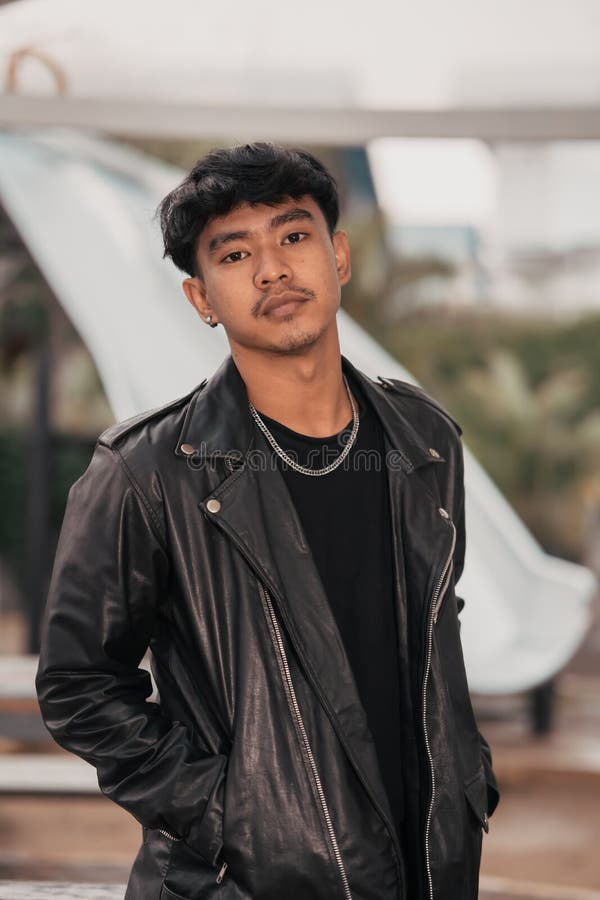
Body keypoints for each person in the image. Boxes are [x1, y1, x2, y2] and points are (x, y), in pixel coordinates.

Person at [36, 142, 499, 900]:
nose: (273, 270)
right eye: (234, 253)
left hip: (430, 863)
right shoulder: (147, 471)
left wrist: (465, 777)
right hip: (247, 881)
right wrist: (227, 816)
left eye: (293, 236)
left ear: (338, 255)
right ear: (202, 299)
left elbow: (433, 629)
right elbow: (78, 685)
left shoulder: (426, 441)